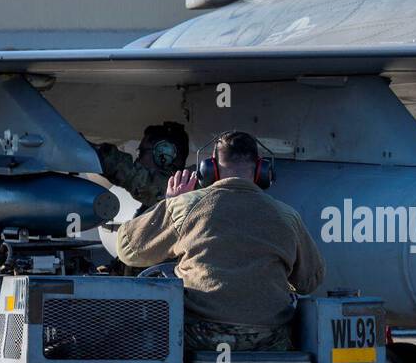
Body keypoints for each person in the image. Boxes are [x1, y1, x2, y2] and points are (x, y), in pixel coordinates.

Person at [115, 130, 325, 351]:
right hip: (268, 339)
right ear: (262, 170)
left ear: (210, 169)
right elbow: (310, 281)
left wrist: (169, 204)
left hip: (200, 337)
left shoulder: (185, 206)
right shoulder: (287, 216)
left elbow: (128, 249)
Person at [94, 122, 190, 212]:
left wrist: (92, 153)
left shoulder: (183, 191)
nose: (138, 160)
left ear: (163, 156)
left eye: (141, 152)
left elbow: (135, 177)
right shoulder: (156, 207)